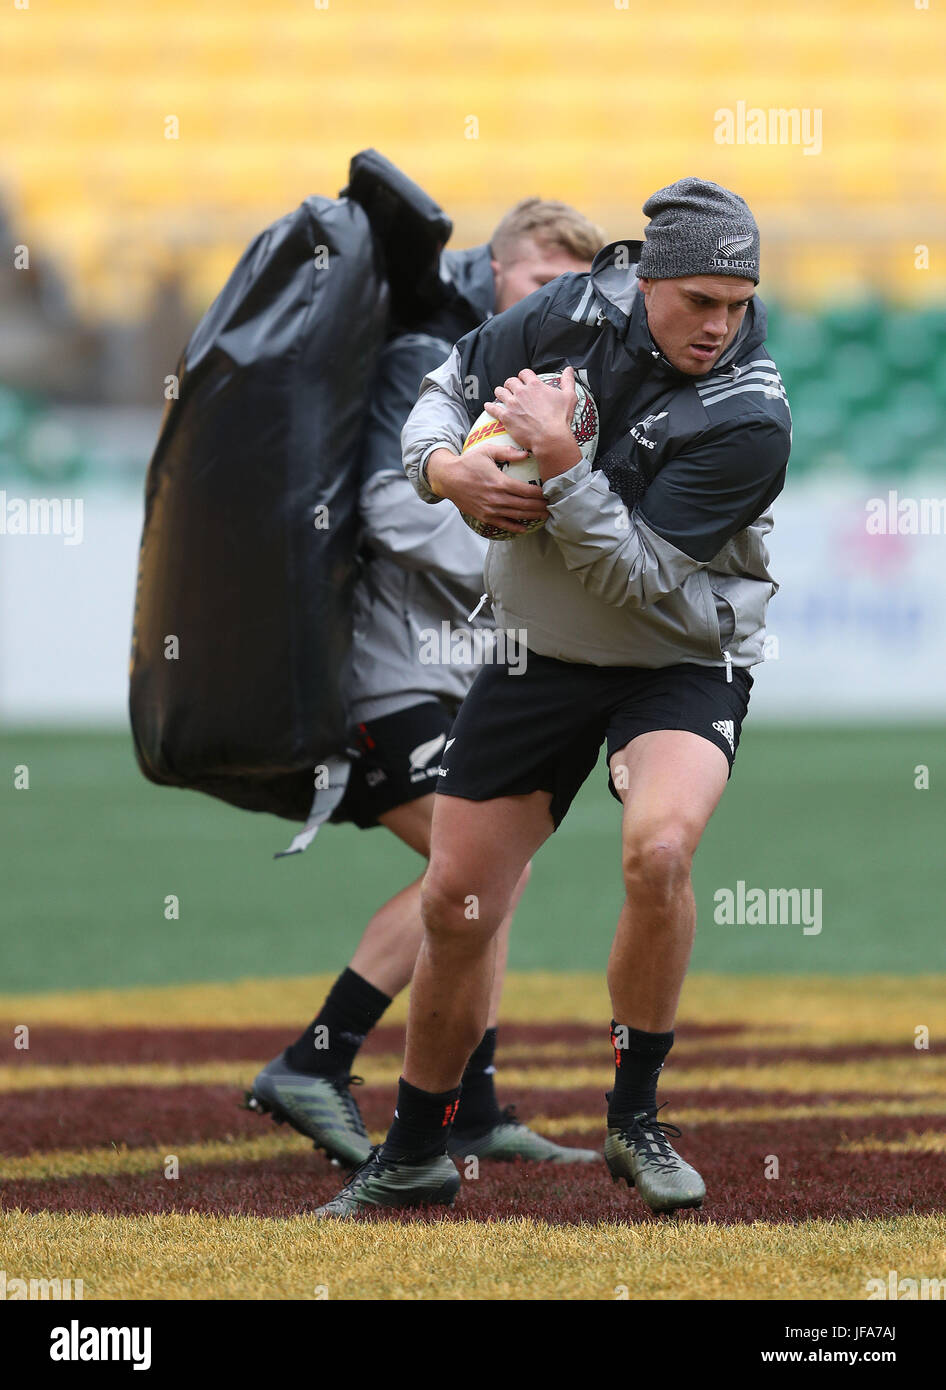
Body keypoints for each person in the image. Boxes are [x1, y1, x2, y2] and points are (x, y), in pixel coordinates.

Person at [315, 178, 792, 1218]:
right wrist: (448, 472)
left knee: (660, 849)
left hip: (679, 658)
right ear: (646, 279)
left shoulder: (750, 416)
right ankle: (413, 1153)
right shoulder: (571, 309)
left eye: (737, 302)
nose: (720, 324)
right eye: (699, 299)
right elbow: (439, 394)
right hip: (538, 655)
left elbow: (643, 582)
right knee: (456, 903)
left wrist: (564, 460)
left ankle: (634, 1119)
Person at [248, 198, 606, 1167]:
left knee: (488, 878)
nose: (559, 303)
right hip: (386, 671)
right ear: (495, 273)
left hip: (449, 673)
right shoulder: (431, 360)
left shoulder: (538, 375)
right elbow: (388, 513)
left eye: (575, 288)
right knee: (482, 871)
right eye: (541, 283)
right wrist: (516, 538)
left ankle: (471, 1106)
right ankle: (314, 1061)